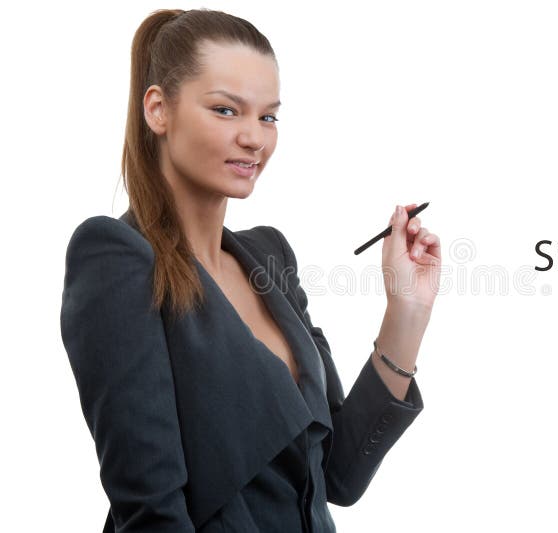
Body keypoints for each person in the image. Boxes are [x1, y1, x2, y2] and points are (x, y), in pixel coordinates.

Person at [59, 8, 441, 532]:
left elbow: (339, 476)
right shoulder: (116, 257)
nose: (254, 139)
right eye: (225, 110)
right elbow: (151, 513)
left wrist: (407, 310)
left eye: (267, 117)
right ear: (158, 110)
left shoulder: (270, 257)